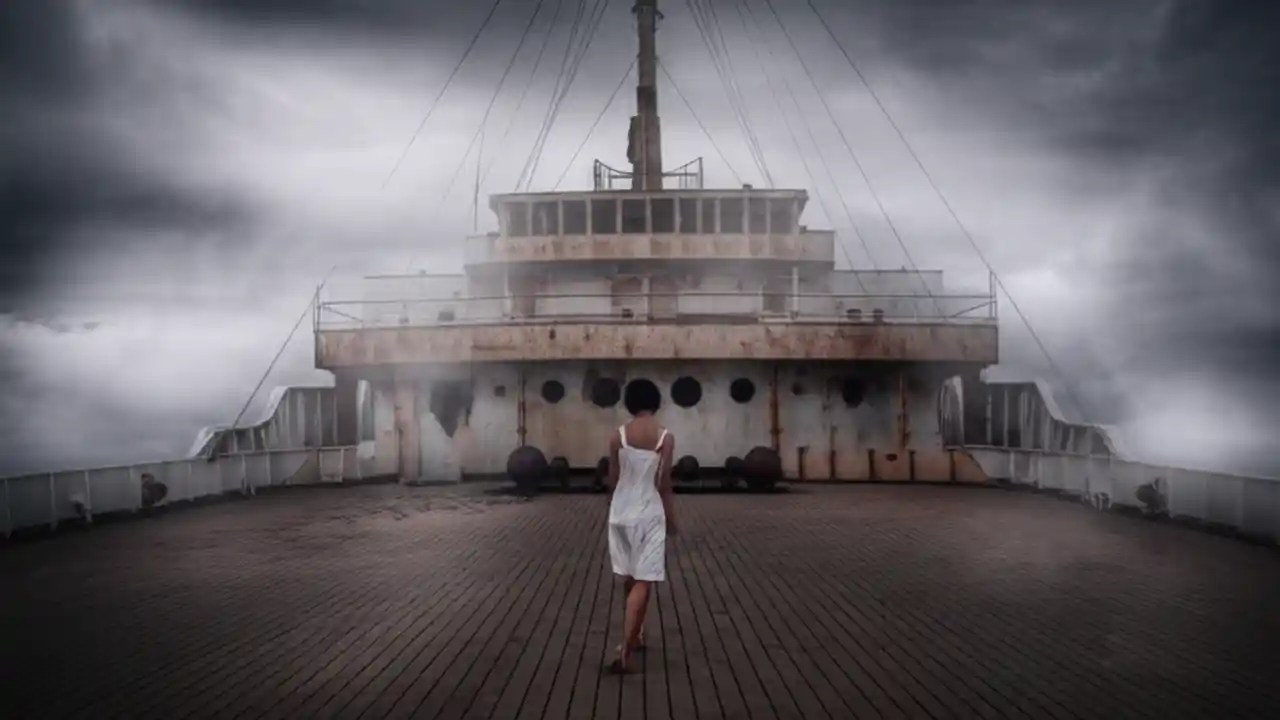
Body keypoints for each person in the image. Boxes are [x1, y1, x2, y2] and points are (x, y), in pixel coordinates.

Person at [605, 380, 677, 674]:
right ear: (656, 402)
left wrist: (612, 509)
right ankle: (626, 646)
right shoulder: (665, 438)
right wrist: (672, 519)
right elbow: (664, 484)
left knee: (630, 577)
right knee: (645, 579)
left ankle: (638, 633)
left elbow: (612, 479)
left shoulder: (617, 436)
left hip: (621, 513)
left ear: (630, 403)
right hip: (649, 512)